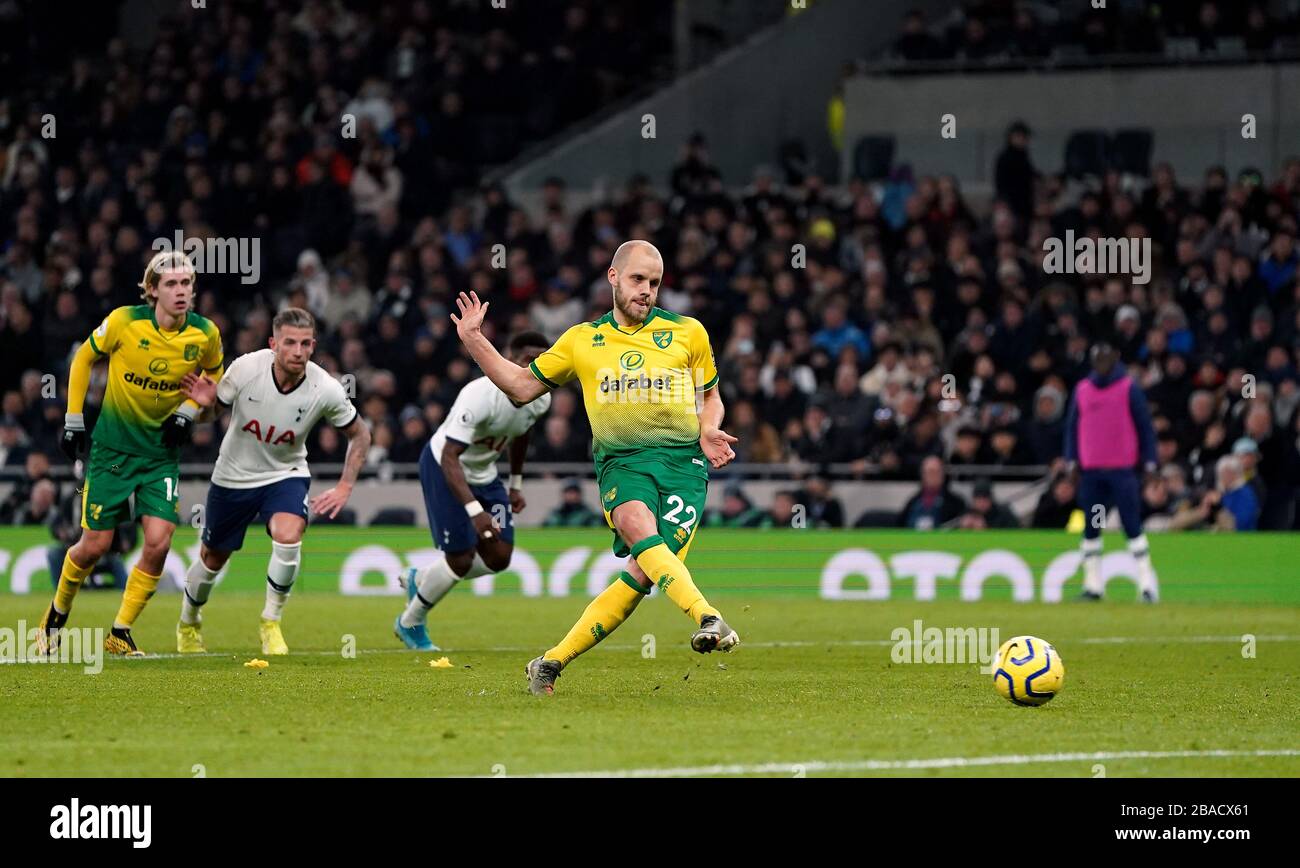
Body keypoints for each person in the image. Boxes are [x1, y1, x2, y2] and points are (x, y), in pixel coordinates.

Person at [450, 239, 740, 695]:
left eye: (655, 283)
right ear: (613, 277)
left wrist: (709, 429)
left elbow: (712, 397)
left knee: (642, 575)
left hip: (685, 468)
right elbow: (521, 387)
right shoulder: (582, 340)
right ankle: (708, 616)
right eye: (638, 279)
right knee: (635, 524)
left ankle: (549, 663)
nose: (647, 291)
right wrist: (473, 339)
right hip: (622, 464)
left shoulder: (689, 332)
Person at [36, 251, 224, 657]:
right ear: (152, 290)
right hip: (113, 451)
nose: (181, 291)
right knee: (94, 546)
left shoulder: (205, 334)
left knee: (159, 541)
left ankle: (120, 632)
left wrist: (189, 411)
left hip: (161, 455)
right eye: (171, 284)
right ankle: (56, 614)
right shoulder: (124, 321)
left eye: (186, 284)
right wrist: (73, 419)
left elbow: (214, 378)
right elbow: (84, 357)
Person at [175, 307, 370, 654]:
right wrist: (203, 407)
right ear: (273, 344)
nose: (298, 351)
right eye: (290, 343)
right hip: (233, 475)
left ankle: (271, 622)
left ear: (313, 346)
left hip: (285, 473)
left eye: (305, 344)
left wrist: (345, 486)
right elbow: (211, 414)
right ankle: (189, 622)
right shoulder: (246, 368)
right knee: (212, 558)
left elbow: (361, 434)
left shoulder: (325, 388)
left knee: (289, 535)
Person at [393, 331, 552, 650]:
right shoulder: (479, 395)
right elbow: (450, 456)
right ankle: (410, 622)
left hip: (485, 475)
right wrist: (475, 512)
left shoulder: (541, 397)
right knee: (461, 557)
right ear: (508, 359)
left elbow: (522, 433)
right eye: (527, 360)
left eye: (540, 361)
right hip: (444, 469)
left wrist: (515, 484)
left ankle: (421, 578)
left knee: (499, 556)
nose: (533, 367)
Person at [1064, 342, 1160, 602]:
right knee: (1093, 525)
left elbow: (1144, 427)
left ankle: (1147, 586)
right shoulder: (1083, 390)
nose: (1102, 365)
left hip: (1122, 472)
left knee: (1131, 524)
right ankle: (1094, 586)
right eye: (1098, 359)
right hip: (1093, 474)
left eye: (1105, 359)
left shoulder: (1128, 388)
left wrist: (1150, 461)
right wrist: (1071, 460)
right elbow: (1073, 428)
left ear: (1115, 358)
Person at [898, 455, 966, 529]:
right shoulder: (913, 502)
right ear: (922, 474)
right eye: (930, 472)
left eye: (937, 472)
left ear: (943, 474)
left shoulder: (956, 503)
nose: (933, 476)